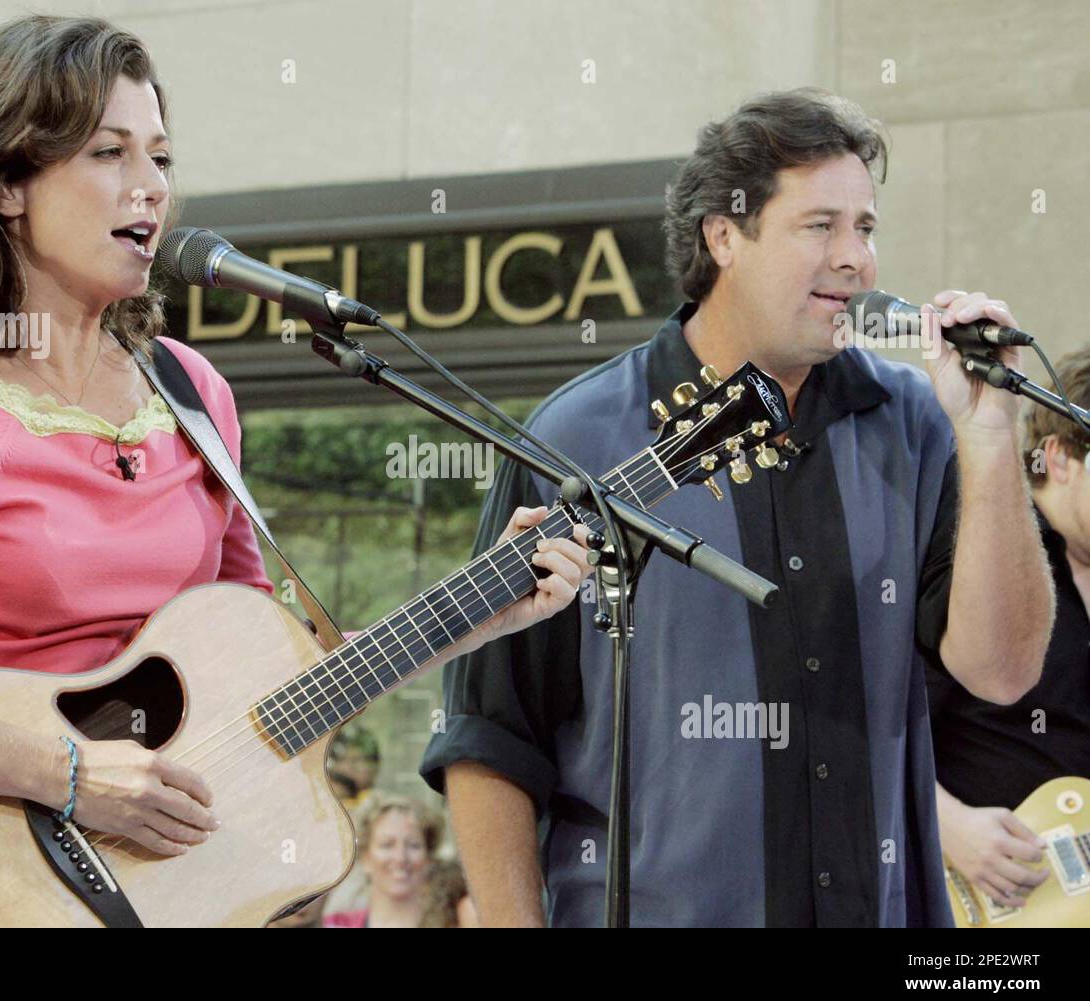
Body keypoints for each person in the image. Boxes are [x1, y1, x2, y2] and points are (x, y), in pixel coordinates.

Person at [0, 15, 591, 863]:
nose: (152, 188)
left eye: (161, 158)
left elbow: (272, 693)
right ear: (3, 185)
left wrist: (475, 615)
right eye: (110, 154)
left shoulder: (192, 393)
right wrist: (69, 773)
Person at [421, 87, 1054, 927]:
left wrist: (987, 435)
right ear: (724, 235)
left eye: (865, 228)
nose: (857, 260)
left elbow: (1003, 670)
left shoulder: (914, 423)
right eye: (819, 225)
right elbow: (490, 736)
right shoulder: (579, 435)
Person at [930, 348, 1090, 912]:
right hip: (972, 898)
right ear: (1060, 459)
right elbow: (869, 726)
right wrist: (945, 824)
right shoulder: (982, 560)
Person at [322, 792, 441, 928]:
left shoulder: (456, 922)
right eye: (387, 845)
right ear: (365, 857)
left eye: (413, 845)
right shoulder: (338, 925)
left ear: (429, 858)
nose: (400, 858)